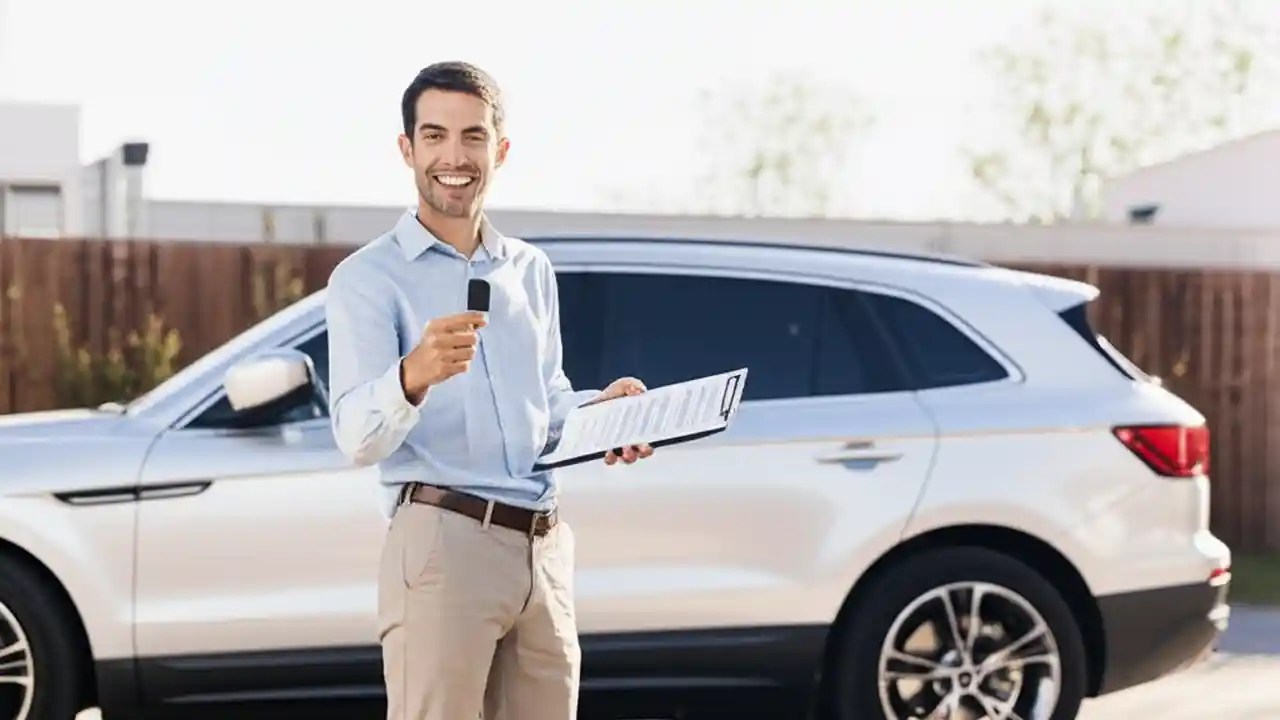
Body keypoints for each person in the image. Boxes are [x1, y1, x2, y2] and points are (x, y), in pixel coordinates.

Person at [324, 61, 654, 720]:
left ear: (499, 151)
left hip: (543, 546)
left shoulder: (529, 270)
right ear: (407, 149)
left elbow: (547, 402)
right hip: (445, 543)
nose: (455, 155)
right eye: (436, 135)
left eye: (473, 136)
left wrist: (601, 415)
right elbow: (355, 438)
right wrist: (412, 375)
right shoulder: (367, 279)